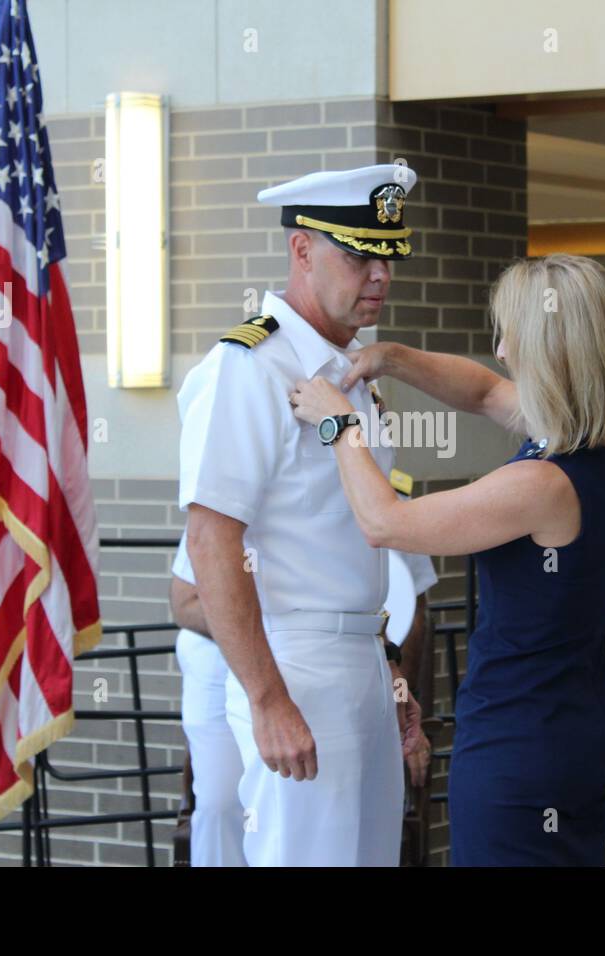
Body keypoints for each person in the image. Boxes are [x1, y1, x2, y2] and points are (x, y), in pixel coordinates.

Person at [290, 253, 605, 866]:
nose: (503, 351)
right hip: (574, 724)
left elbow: (386, 523)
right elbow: (481, 389)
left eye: (514, 337)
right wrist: (390, 357)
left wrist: (340, 428)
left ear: (555, 352)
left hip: (521, 742)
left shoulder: (544, 484)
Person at [177, 164, 424, 866]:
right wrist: (266, 698)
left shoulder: (350, 373)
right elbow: (210, 537)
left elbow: (355, 552)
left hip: (361, 660)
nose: (378, 275)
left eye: (388, 257)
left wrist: (392, 676)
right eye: (358, 255)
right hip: (295, 662)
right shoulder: (249, 368)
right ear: (302, 250)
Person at [168, 527, 438, 867]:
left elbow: (408, 614)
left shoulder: (387, 499)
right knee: (221, 804)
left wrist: (401, 708)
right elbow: (184, 602)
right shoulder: (230, 495)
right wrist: (256, 629)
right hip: (223, 665)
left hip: (348, 672)